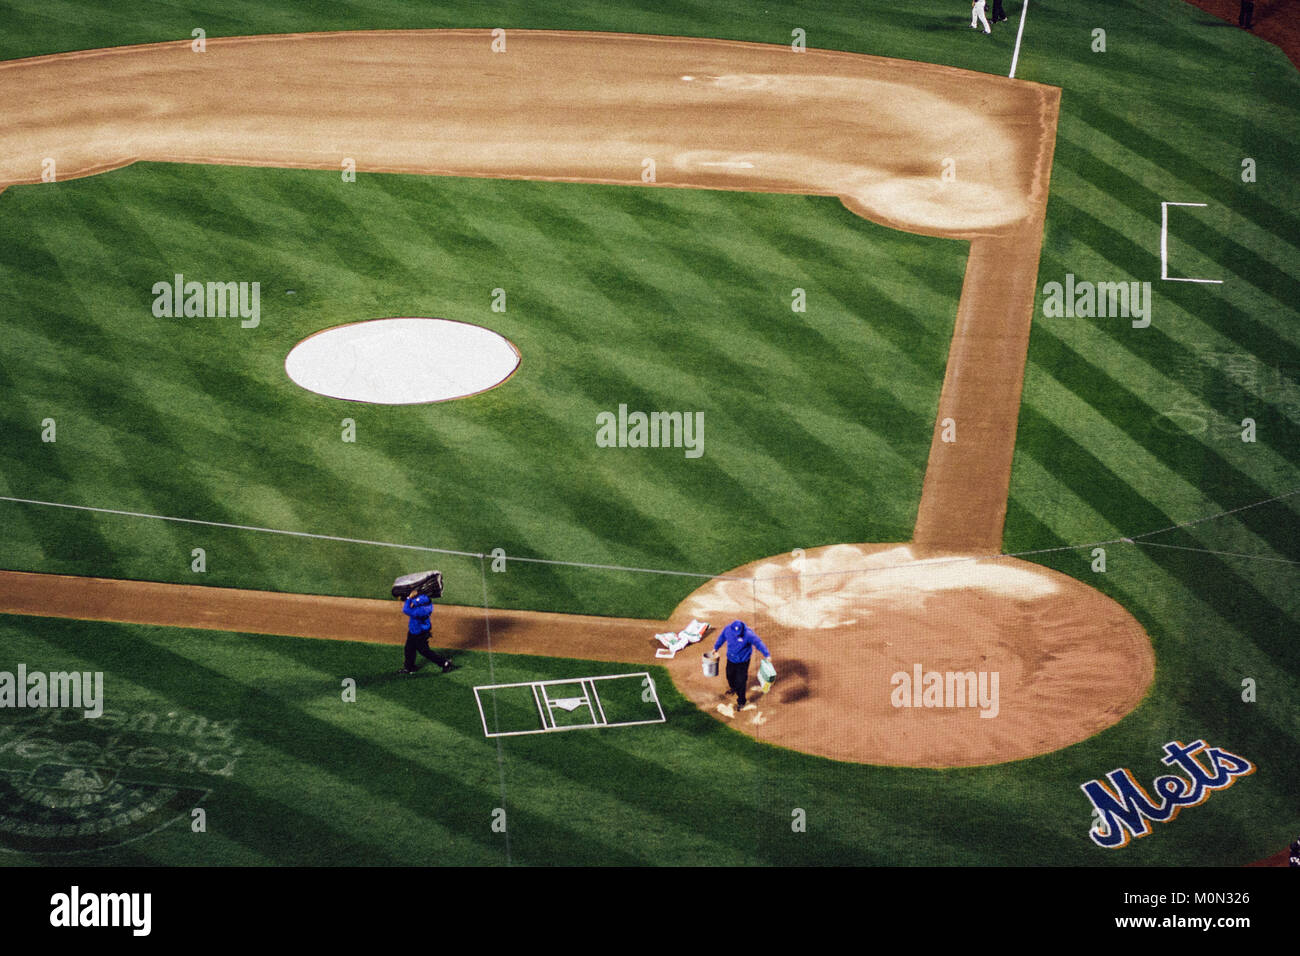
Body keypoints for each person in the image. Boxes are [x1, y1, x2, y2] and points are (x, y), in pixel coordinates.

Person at [708, 619, 771, 718]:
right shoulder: (727, 629)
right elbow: (721, 638)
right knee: (729, 676)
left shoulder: (748, 634)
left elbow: (758, 643)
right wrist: (716, 648)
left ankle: (742, 701)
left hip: (743, 661)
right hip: (731, 659)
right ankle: (733, 688)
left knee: (741, 681)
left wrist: (767, 655)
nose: (737, 635)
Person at [398, 590, 454, 675]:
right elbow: (415, 601)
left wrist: (409, 598)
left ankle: (445, 663)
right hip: (414, 631)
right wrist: (409, 597)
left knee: (425, 651)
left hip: (419, 633)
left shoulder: (421, 611)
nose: (415, 603)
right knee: (409, 649)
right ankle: (409, 667)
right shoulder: (426, 604)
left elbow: (406, 609)